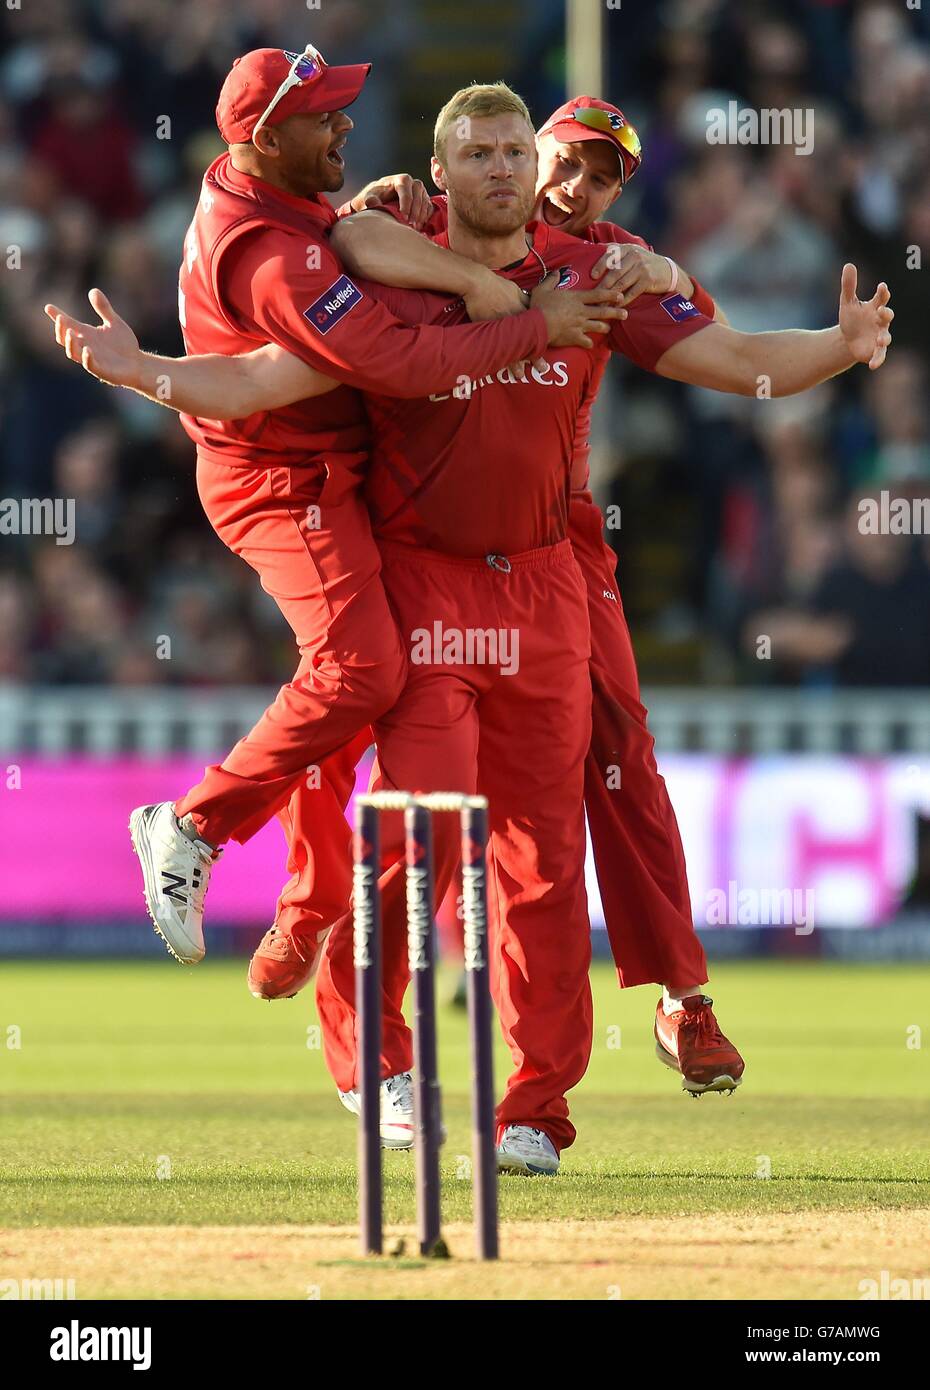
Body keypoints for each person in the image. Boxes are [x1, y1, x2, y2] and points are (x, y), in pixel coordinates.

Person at [49, 84, 893, 1169]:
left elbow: (735, 365)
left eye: (511, 151)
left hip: (543, 590)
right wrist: (149, 376)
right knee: (414, 835)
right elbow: (271, 372)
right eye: (488, 153)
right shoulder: (391, 250)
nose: (507, 170)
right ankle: (370, 1052)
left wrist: (839, 342)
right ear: (447, 173)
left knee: (544, 856)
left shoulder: (599, 268)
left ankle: (536, 1110)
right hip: (426, 585)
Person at [67, 45, 625, 971]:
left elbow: (282, 351)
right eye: (324, 115)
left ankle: (310, 911)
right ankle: (194, 826)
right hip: (291, 484)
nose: (346, 126)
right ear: (266, 135)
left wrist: (156, 373)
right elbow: (392, 366)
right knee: (364, 672)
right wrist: (528, 320)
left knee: (371, 700)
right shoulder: (276, 257)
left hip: (338, 469)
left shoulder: (277, 199)